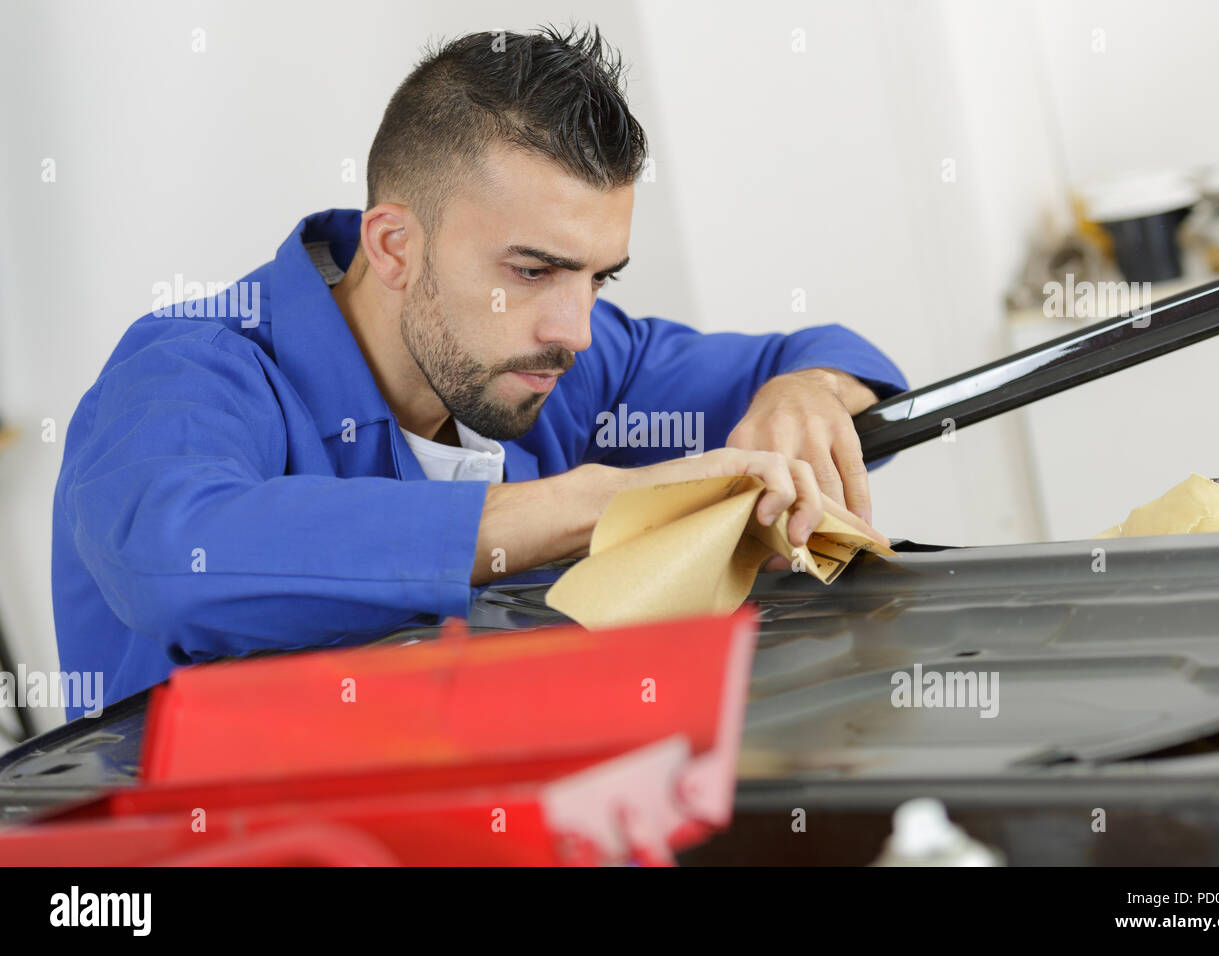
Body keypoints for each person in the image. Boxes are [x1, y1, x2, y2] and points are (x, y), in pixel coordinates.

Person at [52, 25, 907, 720]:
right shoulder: (190, 369)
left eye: (600, 275)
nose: (574, 329)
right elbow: (174, 557)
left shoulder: (561, 353)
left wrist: (809, 394)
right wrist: (591, 504)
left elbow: (811, 358)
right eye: (532, 271)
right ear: (394, 245)